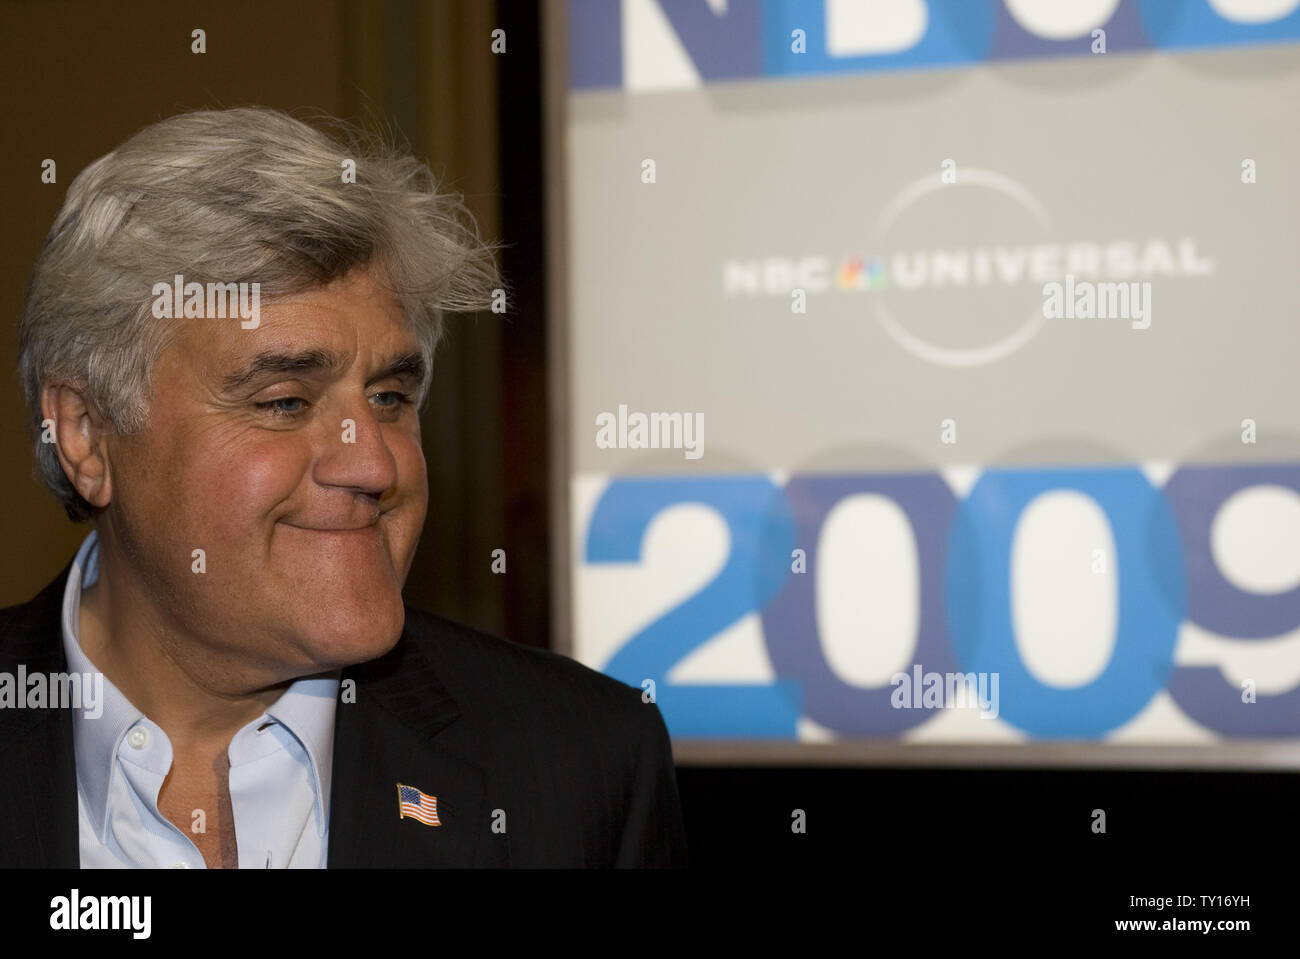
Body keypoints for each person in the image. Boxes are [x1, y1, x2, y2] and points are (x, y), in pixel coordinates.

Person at [0, 106, 687, 868]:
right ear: (86, 434)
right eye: (285, 401)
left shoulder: (580, 769)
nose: (376, 466)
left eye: (390, 397)